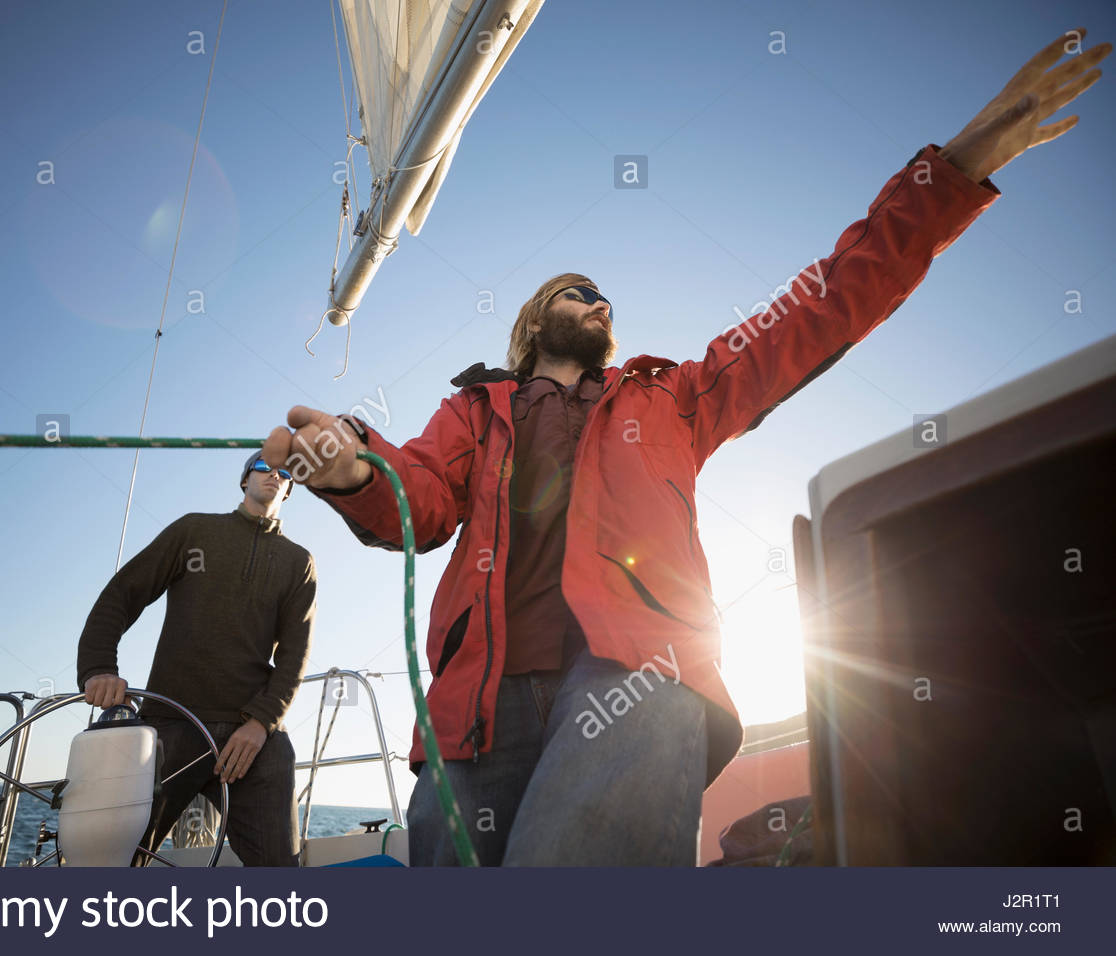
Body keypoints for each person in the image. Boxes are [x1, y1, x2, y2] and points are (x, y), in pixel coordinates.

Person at [262, 30, 1109, 865]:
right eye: (581, 293)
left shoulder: (675, 398)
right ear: (533, 321)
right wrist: (355, 469)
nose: (601, 305)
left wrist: (953, 170)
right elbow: (420, 499)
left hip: (635, 672)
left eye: (607, 301)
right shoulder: (473, 413)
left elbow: (824, 303)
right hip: (476, 707)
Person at [76, 452, 316, 866]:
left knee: (281, 871)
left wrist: (261, 723)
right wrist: (99, 667)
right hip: (171, 724)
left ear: (291, 488)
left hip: (252, 738)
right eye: (262, 467)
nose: (273, 474)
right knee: (118, 859)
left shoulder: (299, 563)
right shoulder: (194, 530)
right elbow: (123, 593)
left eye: (284, 472)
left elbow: (295, 657)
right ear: (244, 480)